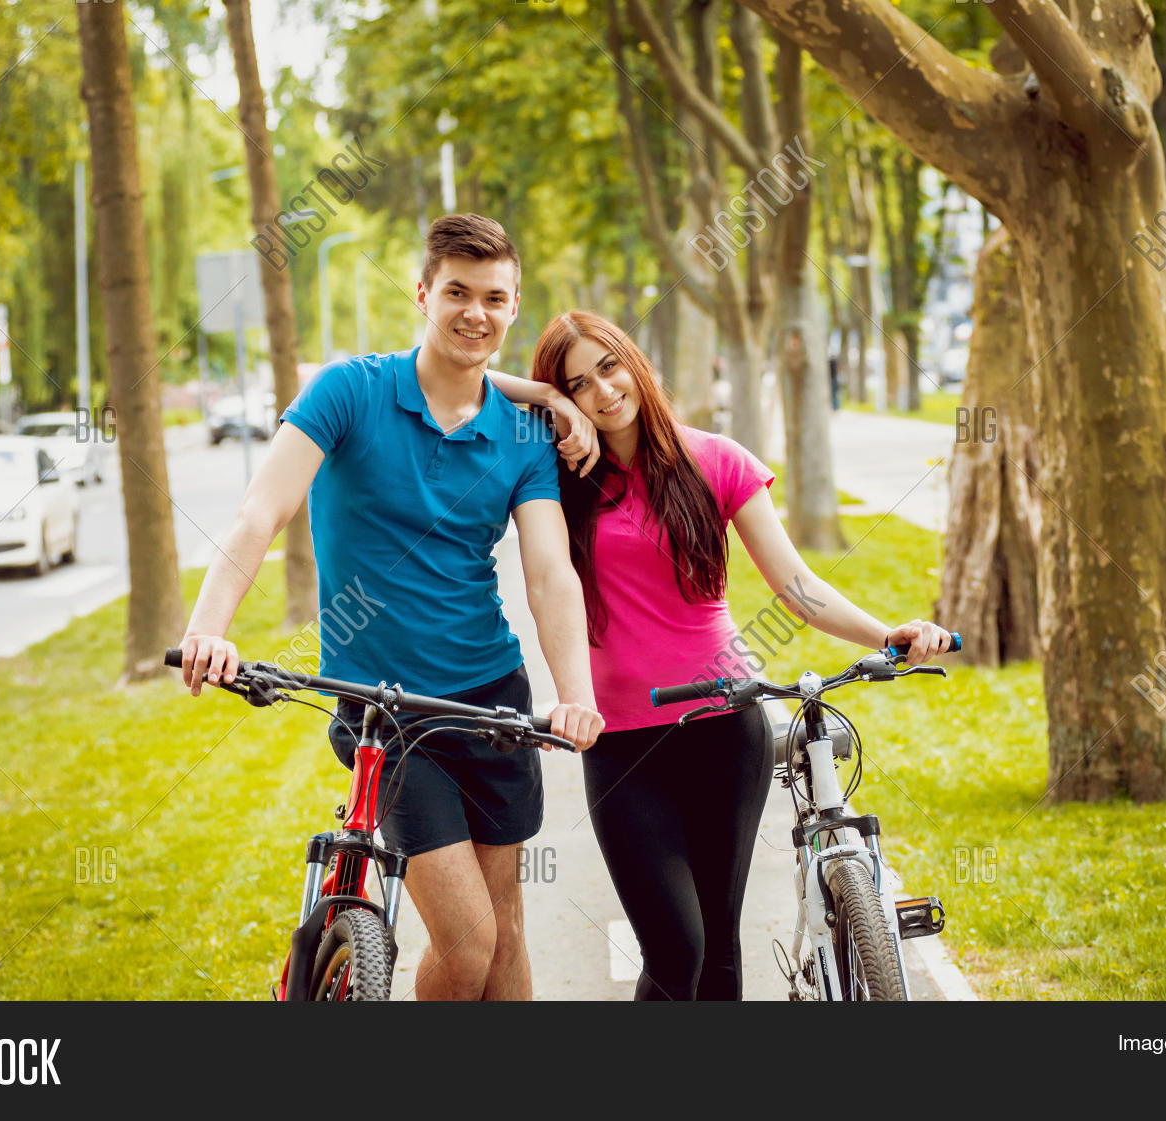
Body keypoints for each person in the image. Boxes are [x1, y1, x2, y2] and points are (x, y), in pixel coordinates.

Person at [177, 214, 605, 1001]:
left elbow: (550, 573)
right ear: (422, 294)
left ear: (514, 307)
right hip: (386, 709)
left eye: (494, 297)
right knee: (469, 943)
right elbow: (260, 511)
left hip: (492, 697)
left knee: (506, 929)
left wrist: (574, 692)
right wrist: (209, 627)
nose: (475, 312)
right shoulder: (350, 392)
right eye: (457, 292)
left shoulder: (522, 436)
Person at [522, 309, 952, 1000]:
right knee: (675, 949)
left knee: (718, 952)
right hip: (621, 739)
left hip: (725, 728)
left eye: (609, 366)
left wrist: (885, 634)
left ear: (634, 362)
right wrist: (543, 396)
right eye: (576, 384)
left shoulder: (715, 459)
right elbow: (472, 382)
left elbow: (796, 585)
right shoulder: (556, 480)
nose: (602, 391)